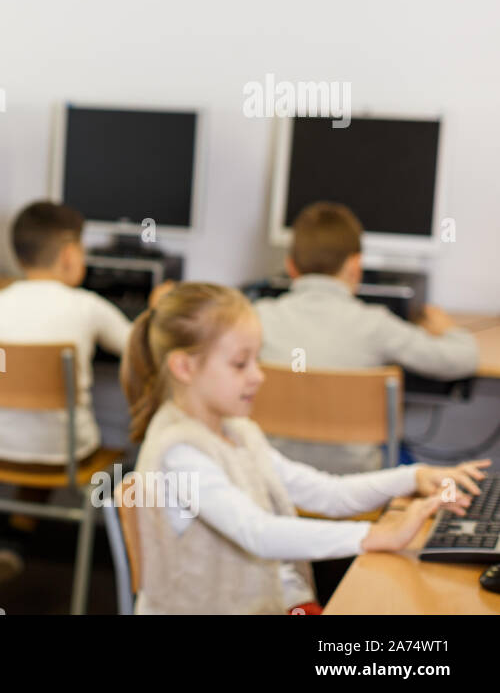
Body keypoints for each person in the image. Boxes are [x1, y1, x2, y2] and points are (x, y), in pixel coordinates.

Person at [121, 281, 488, 614]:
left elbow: (325, 493)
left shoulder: (237, 433)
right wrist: (374, 535)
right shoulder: (179, 454)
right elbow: (258, 533)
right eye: (239, 364)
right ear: (184, 367)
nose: (258, 375)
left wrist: (413, 476)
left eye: (257, 359)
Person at [0, 201, 169, 586]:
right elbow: (141, 346)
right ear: (70, 256)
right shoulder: (86, 305)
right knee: (100, 448)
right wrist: (158, 308)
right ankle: (136, 576)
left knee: (35, 424)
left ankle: (12, 541)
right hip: (66, 453)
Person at [254, 201, 479, 474]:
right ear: (355, 266)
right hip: (356, 482)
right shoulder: (375, 324)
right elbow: (462, 360)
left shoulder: (258, 318)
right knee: (416, 461)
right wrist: (448, 329)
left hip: (275, 475)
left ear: (290, 267)